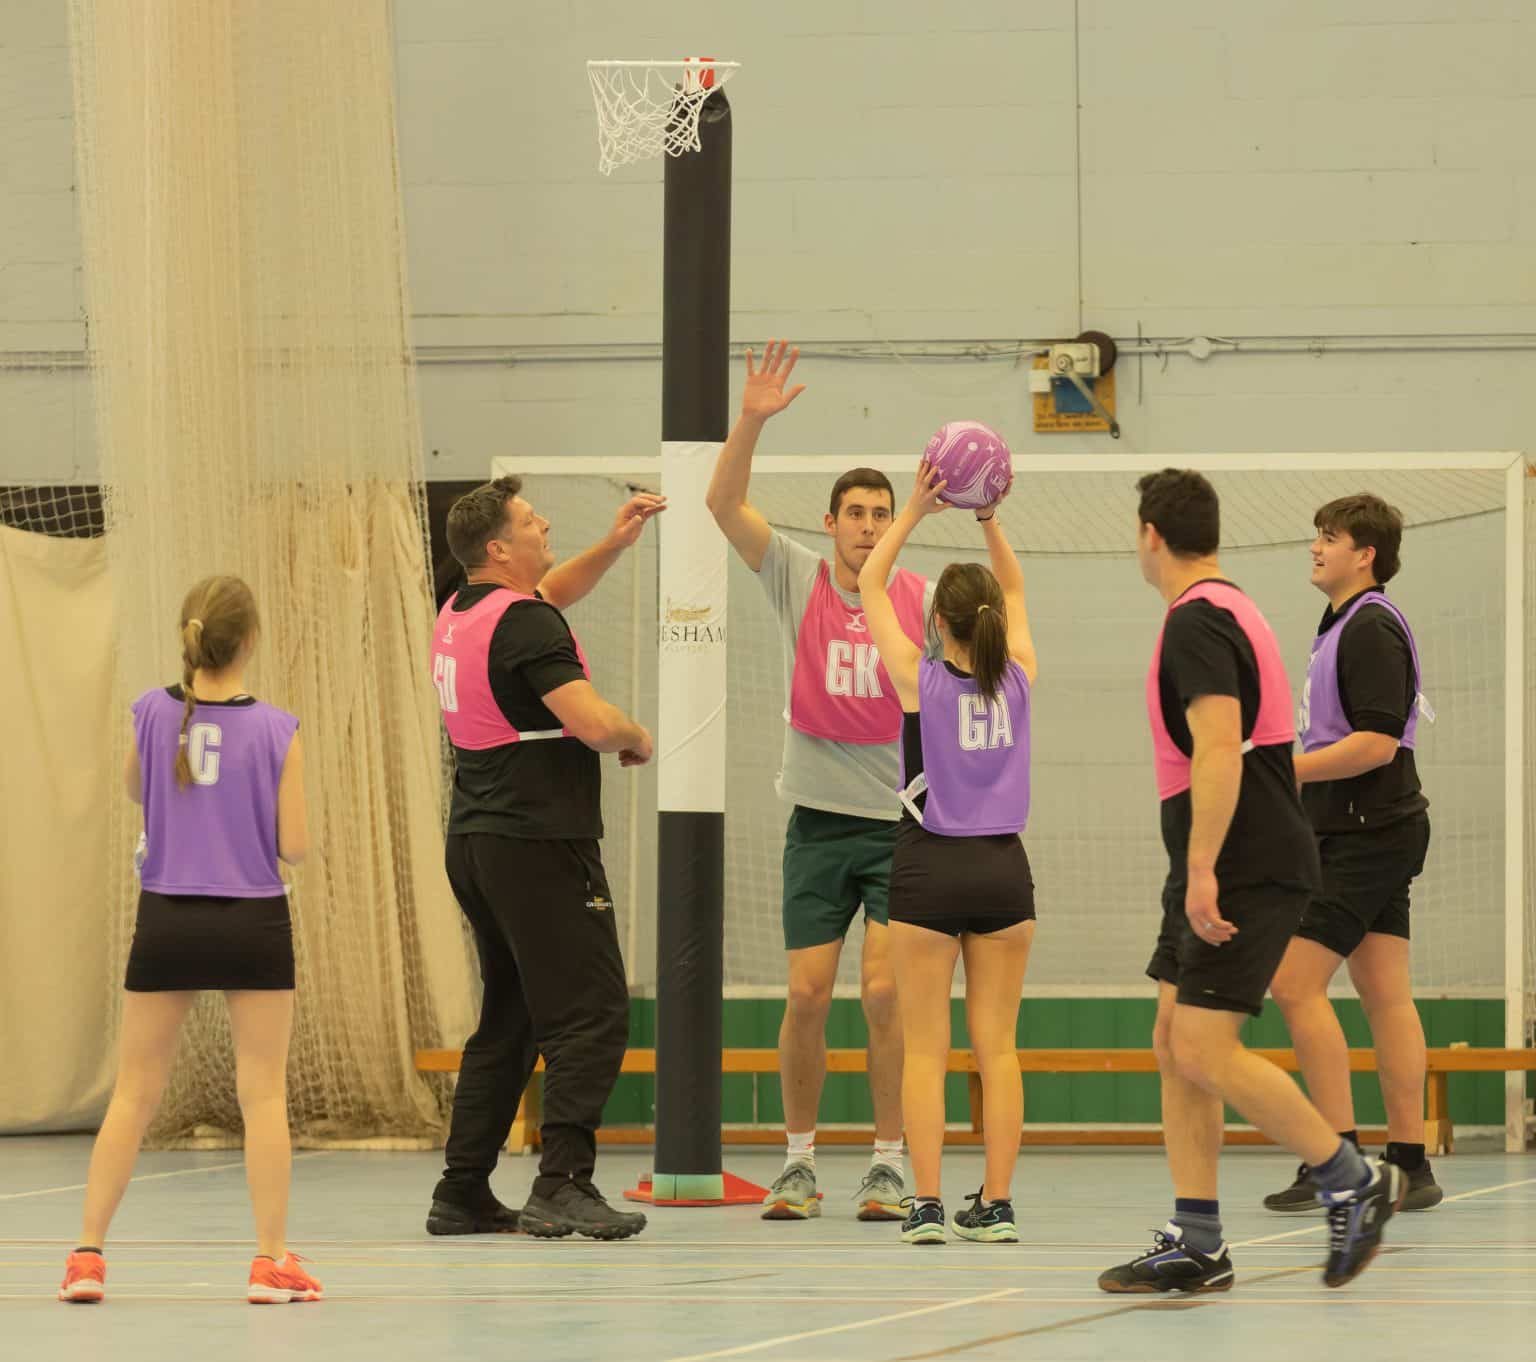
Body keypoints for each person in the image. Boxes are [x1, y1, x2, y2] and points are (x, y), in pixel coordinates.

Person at [1098, 469, 1403, 1295]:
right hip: (1229, 856)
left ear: (1150, 534)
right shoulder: (1234, 606)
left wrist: (1202, 869)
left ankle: (1350, 1176)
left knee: (1202, 1046)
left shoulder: (1197, 620)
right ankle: (1198, 1241)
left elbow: (1219, 745)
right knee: (1173, 1042)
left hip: (1240, 860)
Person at [706, 341, 934, 1222]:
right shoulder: (797, 576)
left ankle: (886, 1162)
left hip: (898, 823)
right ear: (832, 522)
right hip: (818, 821)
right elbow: (722, 503)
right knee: (807, 993)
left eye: (882, 511)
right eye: (856, 512)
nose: (870, 525)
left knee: (882, 994)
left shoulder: (914, 598)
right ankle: (798, 1161)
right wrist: (752, 417)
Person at [59, 576, 320, 1306]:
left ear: (189, 635)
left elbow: (137, 789)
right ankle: (270, 1262)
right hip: (252, 920)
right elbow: (294, 847)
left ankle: (86, 1257)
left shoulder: (149, 710)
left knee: (135, 1091)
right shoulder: (277, 728)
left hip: (167, 917)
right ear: (251, 639)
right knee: (261, 1094)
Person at [425, 475, 663, 1242]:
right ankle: (562, 1182)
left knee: (511, 1016)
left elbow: (548, 593)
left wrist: (614, 545)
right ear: (500, 547)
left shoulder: (464, 611)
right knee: (592, 1012)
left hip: (476, 841)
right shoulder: (526, 626)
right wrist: (634, 734)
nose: (545, 522)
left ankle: (461, 1191)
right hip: (539, 843)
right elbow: (590, 722)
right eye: (531, 520)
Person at [857, 464, 1038, 1246]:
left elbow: (869, 579)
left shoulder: (917, 680)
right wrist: (988, 519)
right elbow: (1017, 591)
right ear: (995, 622)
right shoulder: (1022, 676)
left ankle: (926, 1205)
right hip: (1004, 873)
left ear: (937, 624)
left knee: (924, 1049)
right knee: (996, 1049)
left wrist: (921, 509)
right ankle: (994, 1206)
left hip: (928, 869)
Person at [1264, 494, 1441, 1213]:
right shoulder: (1341, 624)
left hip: (1368, 831)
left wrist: (1280, 768)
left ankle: (1335, 1161)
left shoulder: (1371, 628)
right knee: (1384, 992)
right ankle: (1409, 1165)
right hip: (1363, 828)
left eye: (1328, 538)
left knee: (1294, 984)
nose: (1315, 547)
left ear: (1364, 552)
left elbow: (1375, 741)